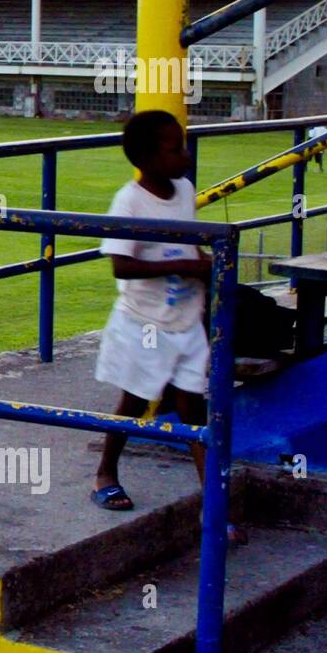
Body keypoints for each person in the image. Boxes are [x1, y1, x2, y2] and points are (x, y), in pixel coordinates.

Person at [92, 109, 210, 513]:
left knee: (195, 405)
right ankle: (105, 473)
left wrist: (205, 269)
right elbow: (121, 266)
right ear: (146, 158)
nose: (186, 156)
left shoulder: (185, 193)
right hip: (145, 322)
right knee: (135, 401)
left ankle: (212, 497)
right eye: (176, 149)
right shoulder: (128, 202)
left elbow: (190, 245)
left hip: (186, 319)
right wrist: (184, 266)